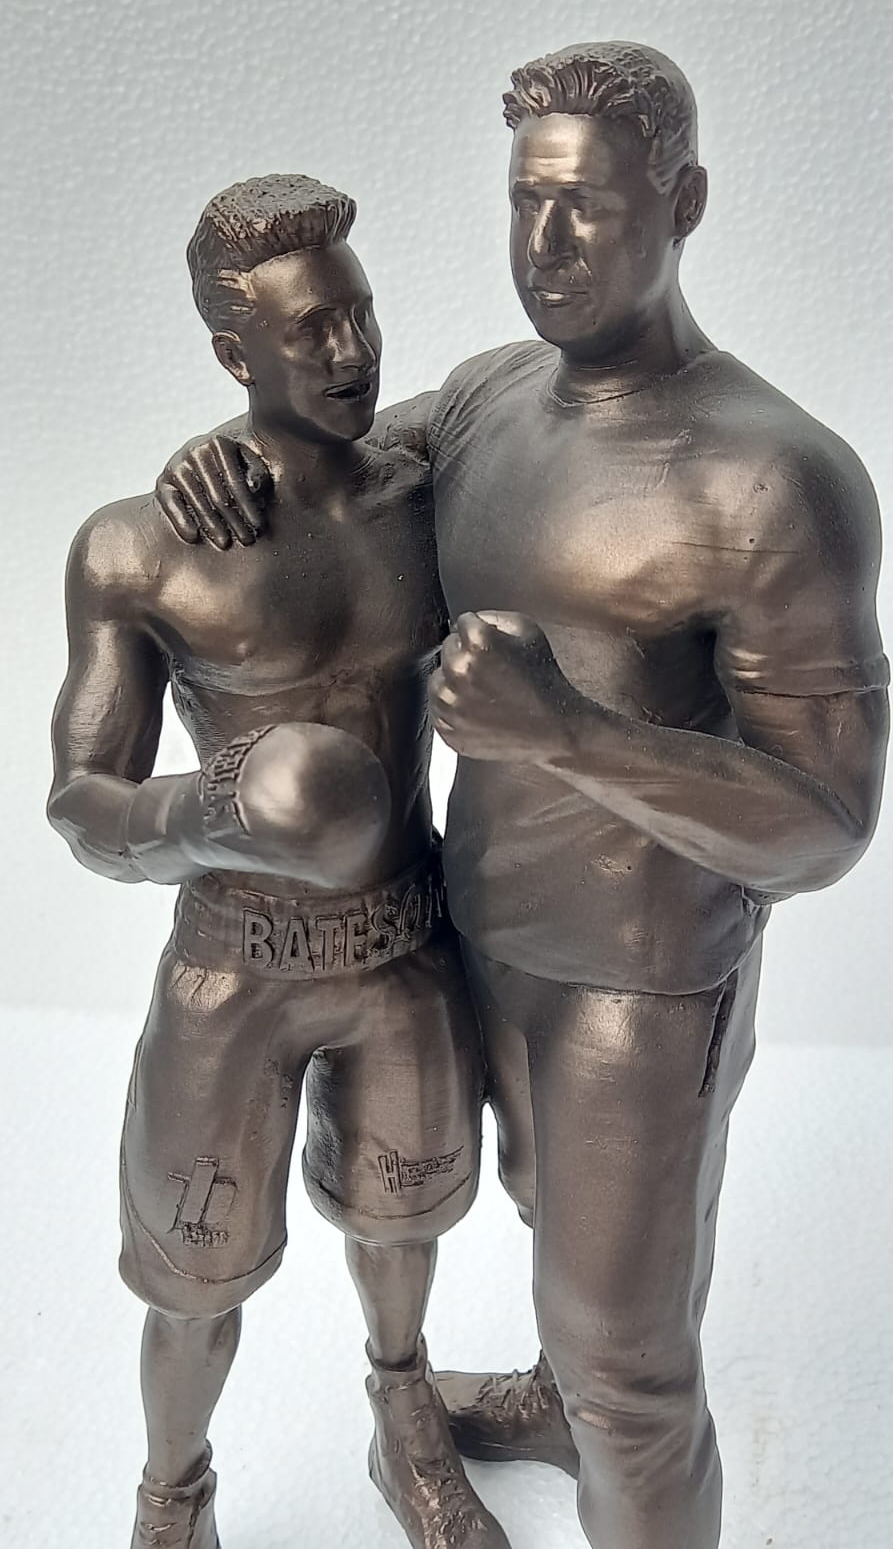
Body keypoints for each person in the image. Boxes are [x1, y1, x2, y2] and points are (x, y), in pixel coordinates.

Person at [157, 45, 890, 1549]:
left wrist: (566, 735)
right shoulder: (490, 399)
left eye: (589, 208)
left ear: (684, 201)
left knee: (632, 1364)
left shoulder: (779, 480)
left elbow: (826, 823)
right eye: (525, 203)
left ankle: (598, 1414)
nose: (546, 246)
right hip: (483, 941)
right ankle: (560, 1404)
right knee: (550, 1219)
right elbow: (334, 468)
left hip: (647, 974)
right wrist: (215, 463)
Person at [48, 174, 511, 1549]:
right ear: (231, 352)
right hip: (232, 961)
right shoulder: (142, 548)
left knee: (405, 1216)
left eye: (359, 314)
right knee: (191, 1277)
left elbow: (524, 393)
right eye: (309, 331)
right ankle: (172, 1495)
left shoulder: (429, 494)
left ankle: (404, 1416)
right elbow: (81, 802)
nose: (349, 350)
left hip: (403, 935)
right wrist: (225, 805)